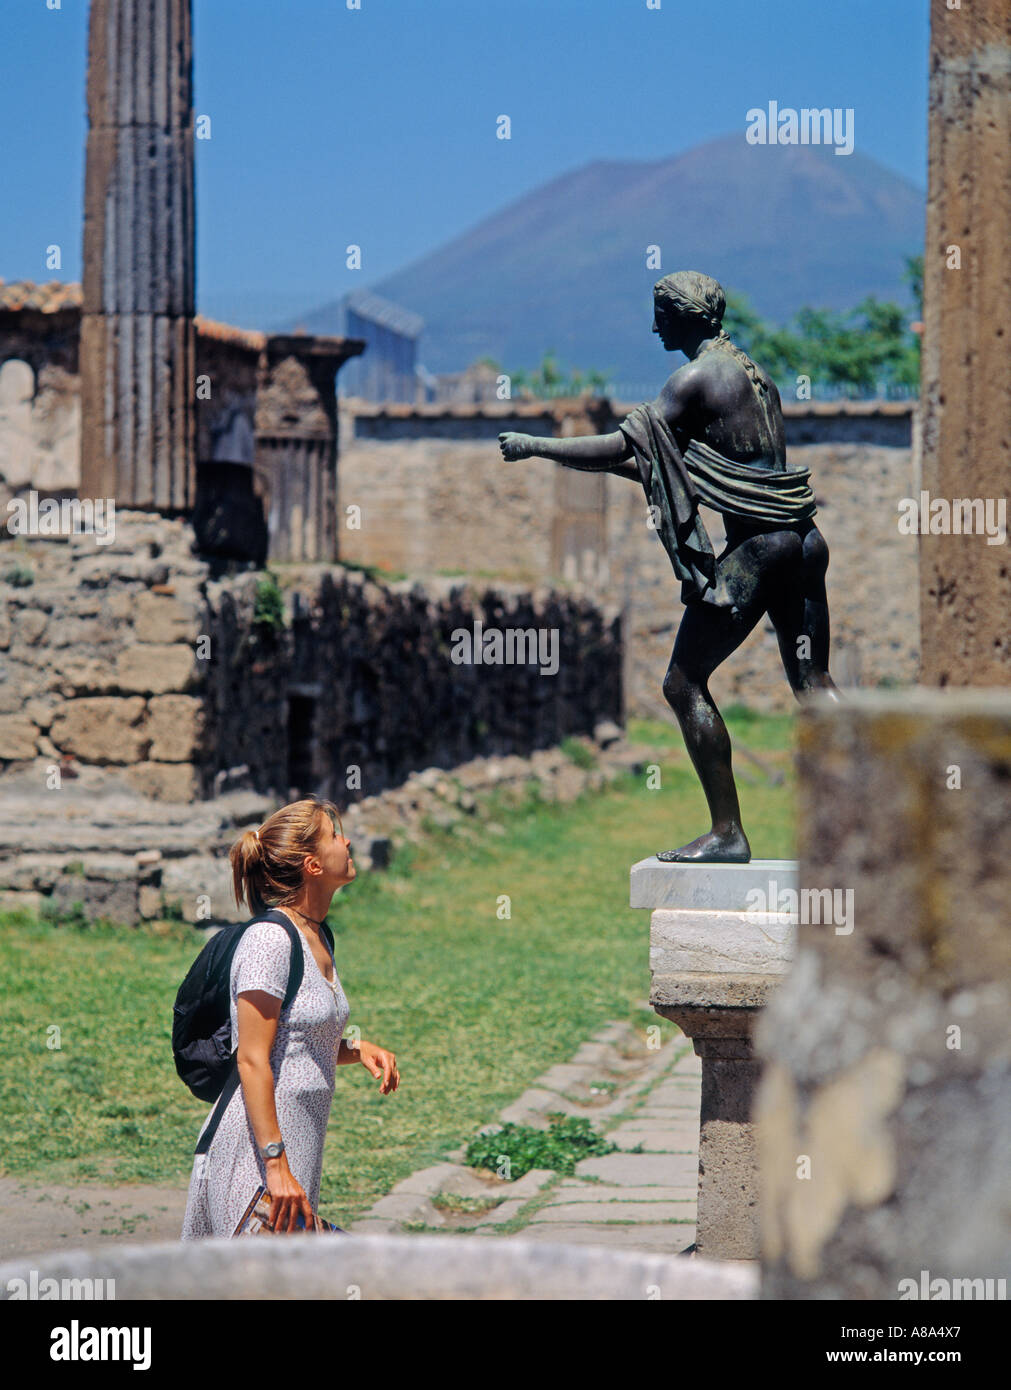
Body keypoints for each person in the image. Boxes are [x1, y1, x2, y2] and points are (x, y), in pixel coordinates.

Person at [498, 270, 839, 863]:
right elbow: (669, 468)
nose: (655, 325)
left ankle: (729, 833)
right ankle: (883, 812)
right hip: (805, 541)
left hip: (760, 548)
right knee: (815, 683)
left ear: (689, 315)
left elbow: (621, 448)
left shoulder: (695, 379)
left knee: (682, 683)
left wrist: (538, 446)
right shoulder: (756, 376)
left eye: (663, 313)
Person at [180, 796, 399, 1238]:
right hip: (254, 1164)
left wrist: (356, 1049)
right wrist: (275, 1165)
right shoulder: (270, 941)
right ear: (312, 865)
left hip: (290, 1160)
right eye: (335, 834)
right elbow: (252, 1058)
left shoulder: (317, 935)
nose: (348, 839)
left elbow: (292, 1044)